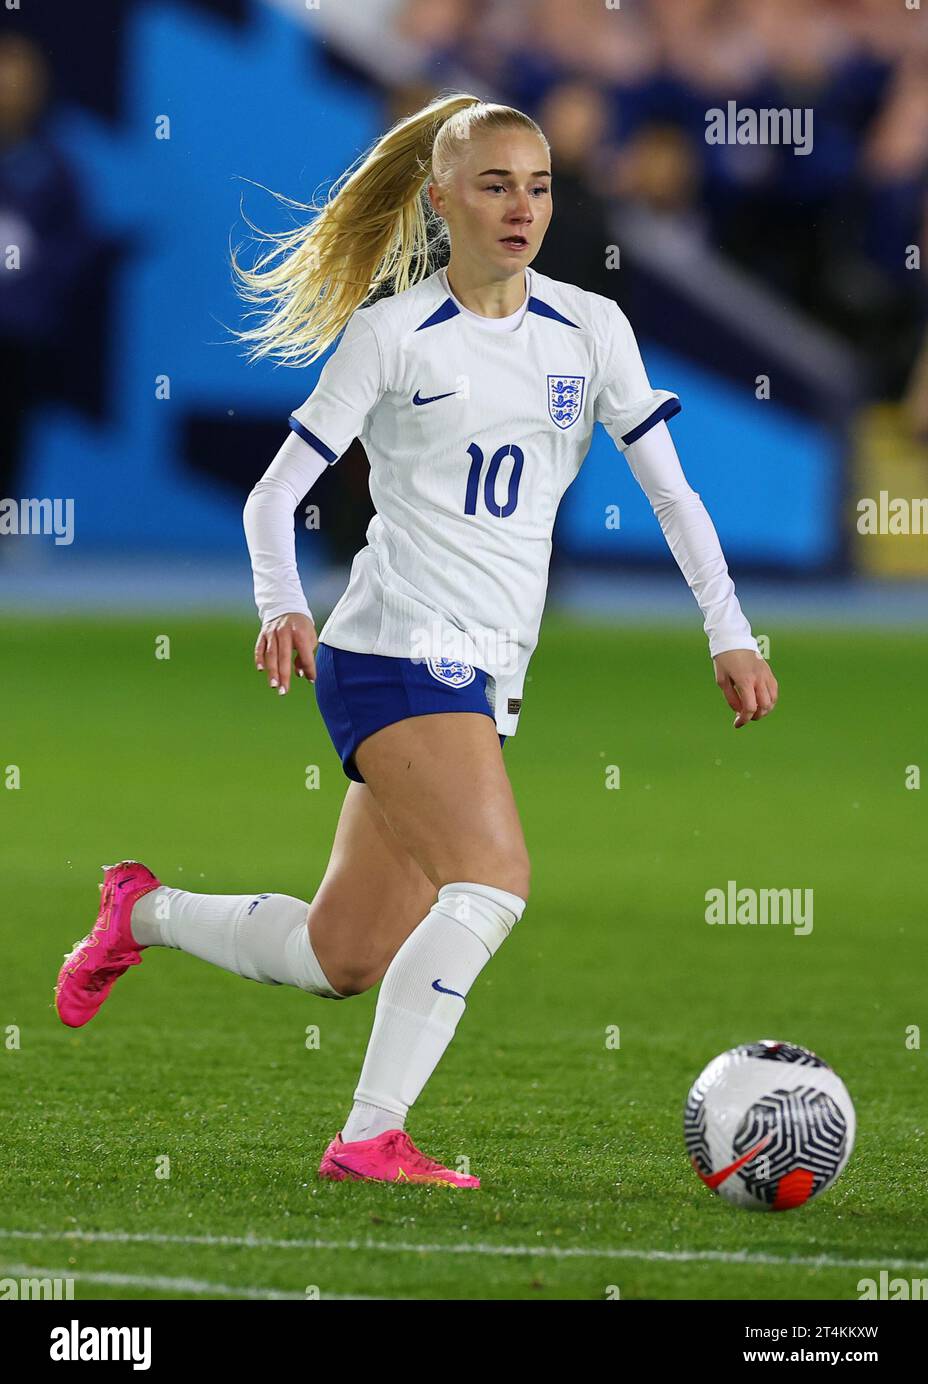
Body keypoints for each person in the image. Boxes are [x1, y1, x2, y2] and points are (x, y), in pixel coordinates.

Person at [54, 93, 778, 1188]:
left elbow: (671, 497)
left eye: (536, 184)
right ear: (439, 199)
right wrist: (278, 602)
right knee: (490, 883)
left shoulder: (591, 328)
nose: (520, 206)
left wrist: (729, 629)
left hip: (486, 671)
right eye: (493, 185)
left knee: (339, 956)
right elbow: (271, 496)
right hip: (392, 646)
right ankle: (367, 1136)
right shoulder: (392, 333)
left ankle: (138, 910)